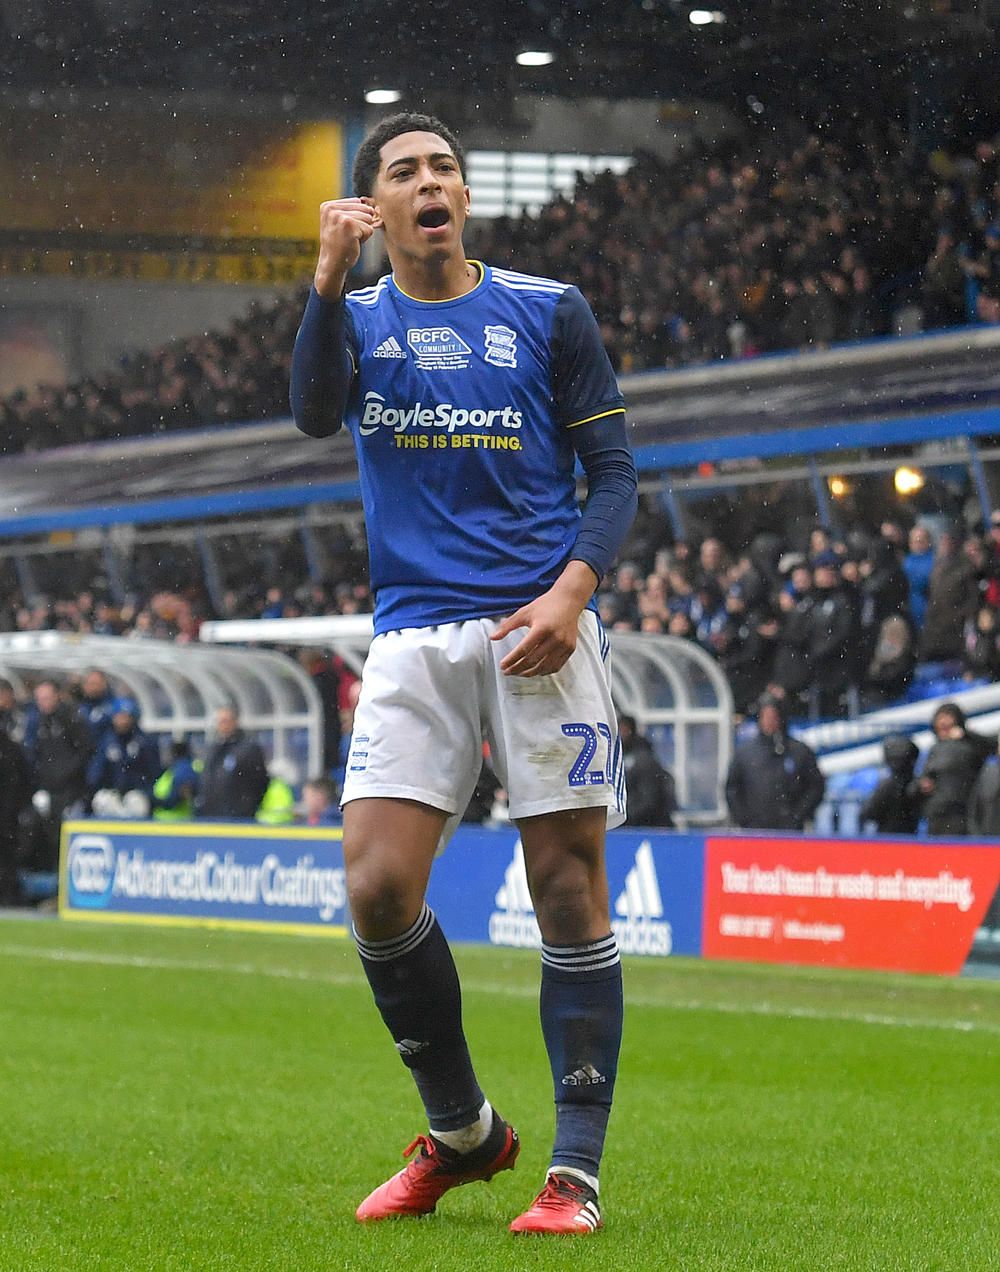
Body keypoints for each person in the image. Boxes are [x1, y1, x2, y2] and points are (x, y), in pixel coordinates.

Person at [290, 111, 637, 1236]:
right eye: (404, 171)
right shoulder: (351, 315)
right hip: (412, 638)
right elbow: (306, 415)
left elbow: (617, 475)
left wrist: (571, 595)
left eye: (443, 167)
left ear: (463, 197)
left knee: (568, 890)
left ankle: (573, 1175)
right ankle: (464, 1135)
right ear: (372, 206)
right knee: (379, 889)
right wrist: (324, 280)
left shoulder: (546, 310)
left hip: (538, 626)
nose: (429, 182)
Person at [725, 695, 825, 831]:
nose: (769, 722)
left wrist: (798, 815)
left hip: (789, 831)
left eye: (773, 716)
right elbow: (732, 788)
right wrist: (744, 819)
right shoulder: (745, 752)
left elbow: (816, 786)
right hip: (754, 831)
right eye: (765, 716)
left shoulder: (799, 751)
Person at [916, 701, 993, 836]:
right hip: (937, 815)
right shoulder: (934, 750)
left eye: (948, 717)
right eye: (940, 718)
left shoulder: (970, 745)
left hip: (964, 813)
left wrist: (966, 735)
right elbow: (926, 776)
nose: (944, 722)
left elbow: (991, 747)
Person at [86, 697, 162, 818]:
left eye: (126, 717)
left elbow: (153, 771)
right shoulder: (106, 741)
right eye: (119, 717)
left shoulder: (144, 742)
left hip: (137, 793)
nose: (122, 721)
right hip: (112, 792)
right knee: (103, 800)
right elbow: (96, 772)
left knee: (136, 802)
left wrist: (145, 792)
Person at [196, 705, 270, 820]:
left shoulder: (248, 749)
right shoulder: (213, 749)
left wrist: (246, 807)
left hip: (236, 816)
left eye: (226, 721)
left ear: (235, 722)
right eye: (219, 721)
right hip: (210, 815)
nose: (222, 725)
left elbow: (260, 781)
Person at [618, 715, 676, 828]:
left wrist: (625, 818)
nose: (620, 734)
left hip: (645, 827)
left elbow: (649, 800)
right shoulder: (620, 756)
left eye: (622, 729)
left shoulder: (643, 759)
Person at [860, 735, 921, 833]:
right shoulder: (916, 783)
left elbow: (867, 813)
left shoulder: (887, 784)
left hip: (888, 837)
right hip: (907, 836)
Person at [0, 729, 33, 905]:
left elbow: (20, 781)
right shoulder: (10, 747)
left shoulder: (9, 749)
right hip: (8, 814)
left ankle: (8, 895)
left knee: (7, 856)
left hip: (7, 815)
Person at [152, 737, 201, 821]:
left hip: (175, 823)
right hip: (171, 821)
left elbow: (177, 796)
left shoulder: (183, 769)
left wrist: (155, 802)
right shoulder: (174, 769)